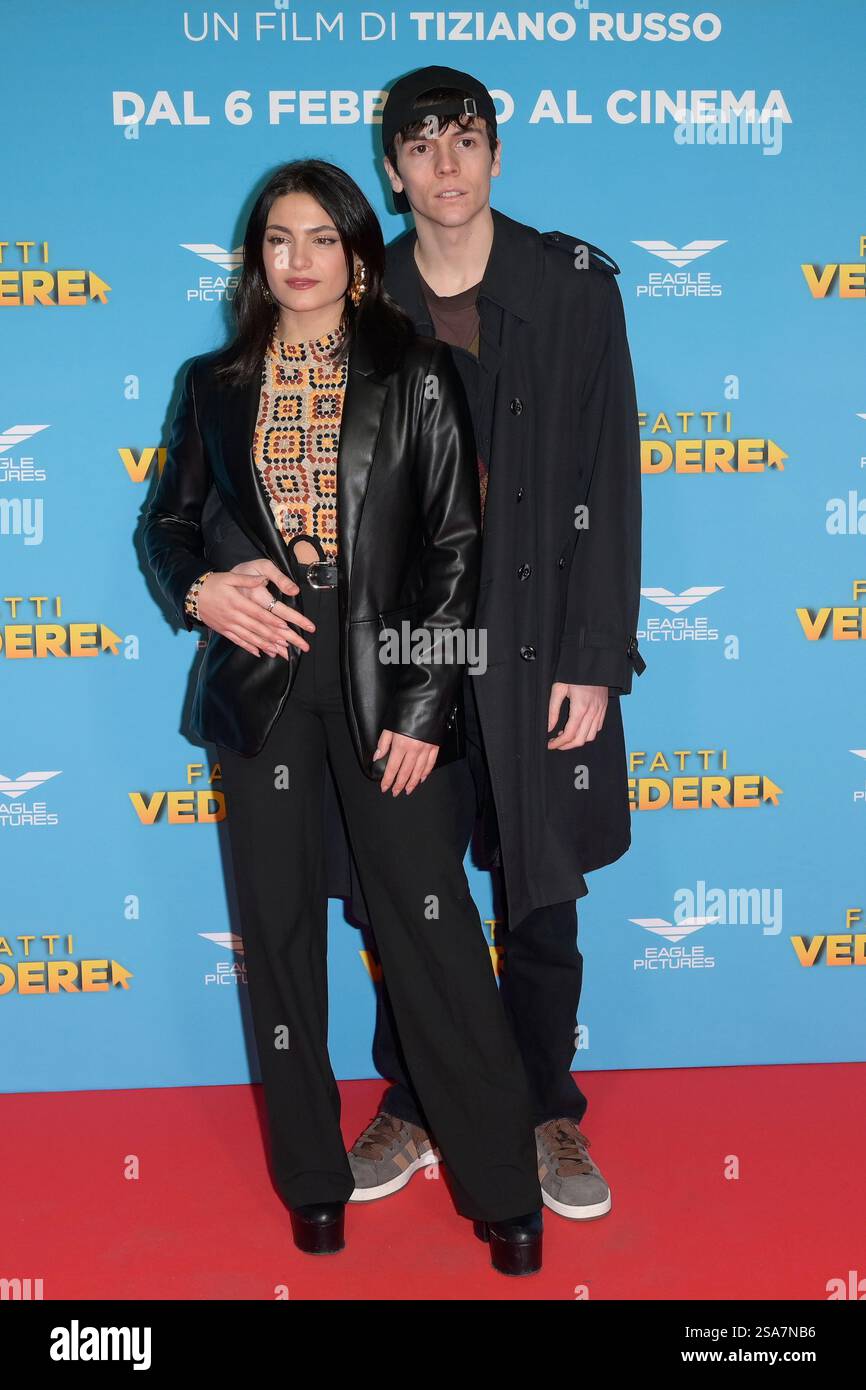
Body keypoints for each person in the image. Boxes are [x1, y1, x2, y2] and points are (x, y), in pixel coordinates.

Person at [200, 67, 647, 1224]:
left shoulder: (572, 289)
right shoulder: (357, 287)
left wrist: (595, 653)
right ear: (391, 168)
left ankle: (544, 1107)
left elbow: (612, 473)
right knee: (404, 889)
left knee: (538, 887)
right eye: (420, 145)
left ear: (495, 158)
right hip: (394, 650)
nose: (445, 164)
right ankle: (415, 1095)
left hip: (541, 644)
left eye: (466, 140)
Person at [142, 158, 546, 1275]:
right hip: (261, 681)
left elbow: (456, 556)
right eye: (279, 239)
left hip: (383, 680)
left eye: (321, 237)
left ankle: (503, 1186)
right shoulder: (214, 382)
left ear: (359, 256)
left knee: (432, 932)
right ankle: (312, 1184)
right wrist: (199, 590)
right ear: (257, 258)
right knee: (276, 939)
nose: (299, 259)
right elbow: (167, 525)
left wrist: (421, 705)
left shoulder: (418, 372)